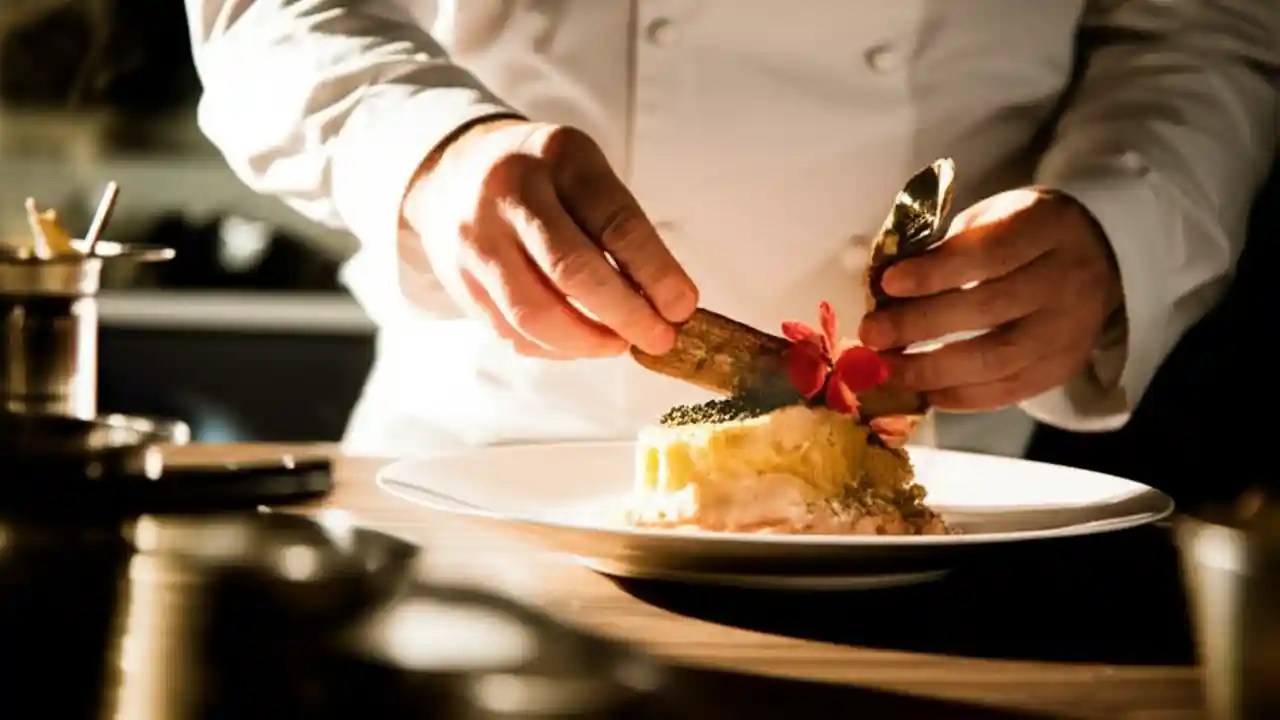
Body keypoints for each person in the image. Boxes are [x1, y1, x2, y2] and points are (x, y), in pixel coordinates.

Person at [184, 1, 1278, 459]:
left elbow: (1202, 30)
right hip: (487, 437)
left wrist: (1121, 218)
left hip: (944, 495)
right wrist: (426, 147)